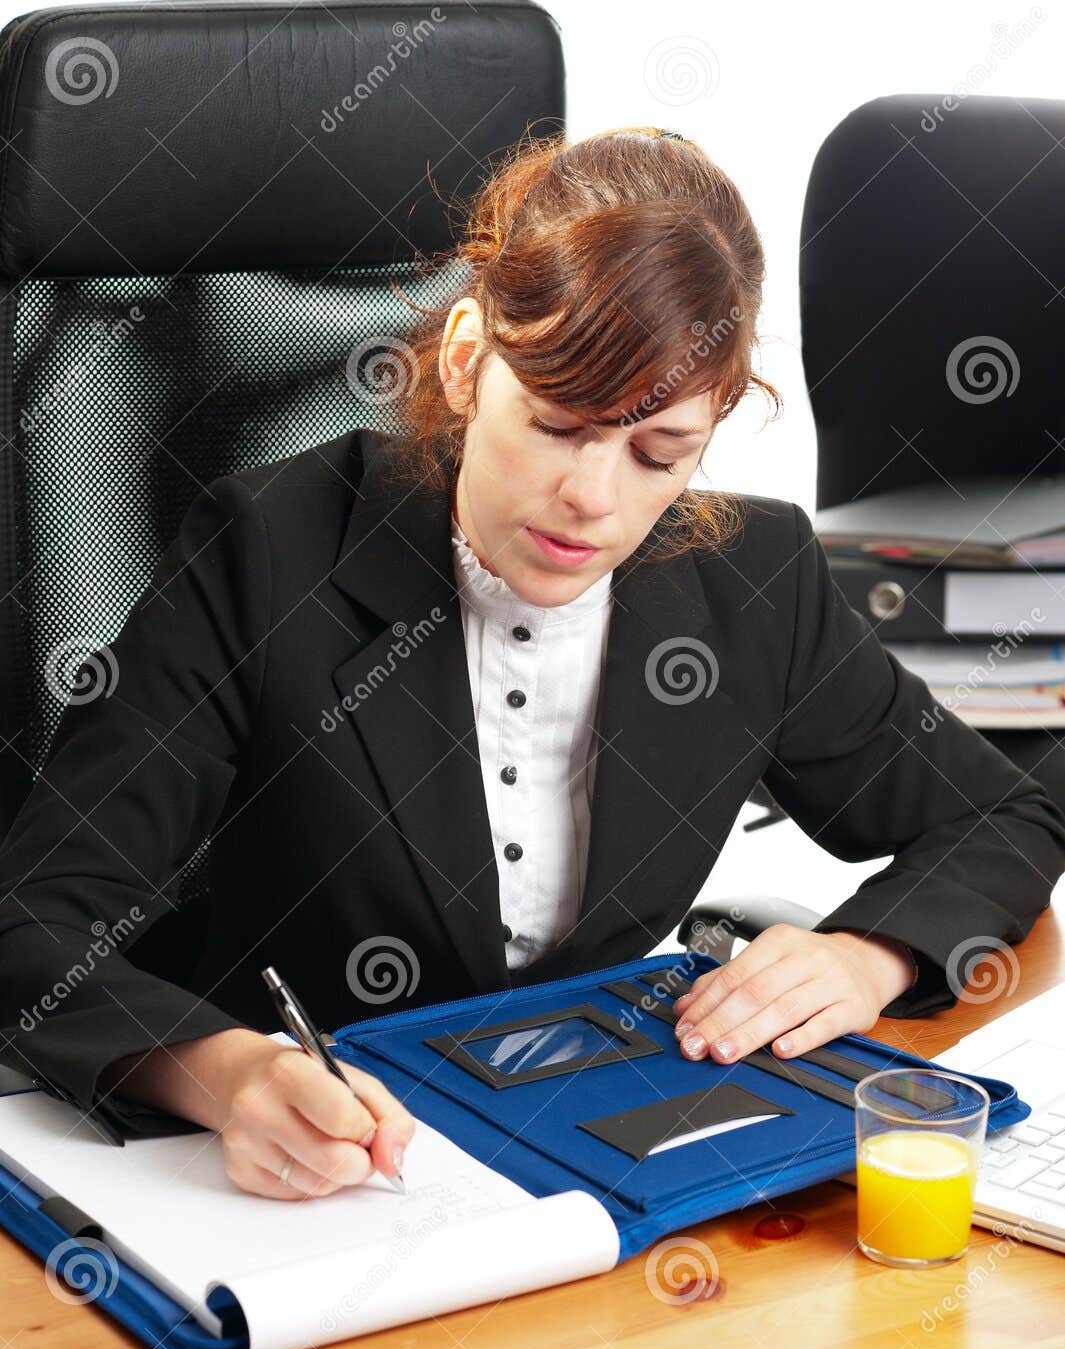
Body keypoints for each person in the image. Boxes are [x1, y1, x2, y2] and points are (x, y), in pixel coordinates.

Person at [1, 126, 1063, 1201]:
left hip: (600, 1154)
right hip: (325, 1177)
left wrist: (864, 956)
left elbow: (1004, 817)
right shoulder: (266, 551)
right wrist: (222, 1074)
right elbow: (30, 921)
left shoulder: (757, 581)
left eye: (661, 454)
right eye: (559, 427)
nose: (596, 500)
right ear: (467, 362)